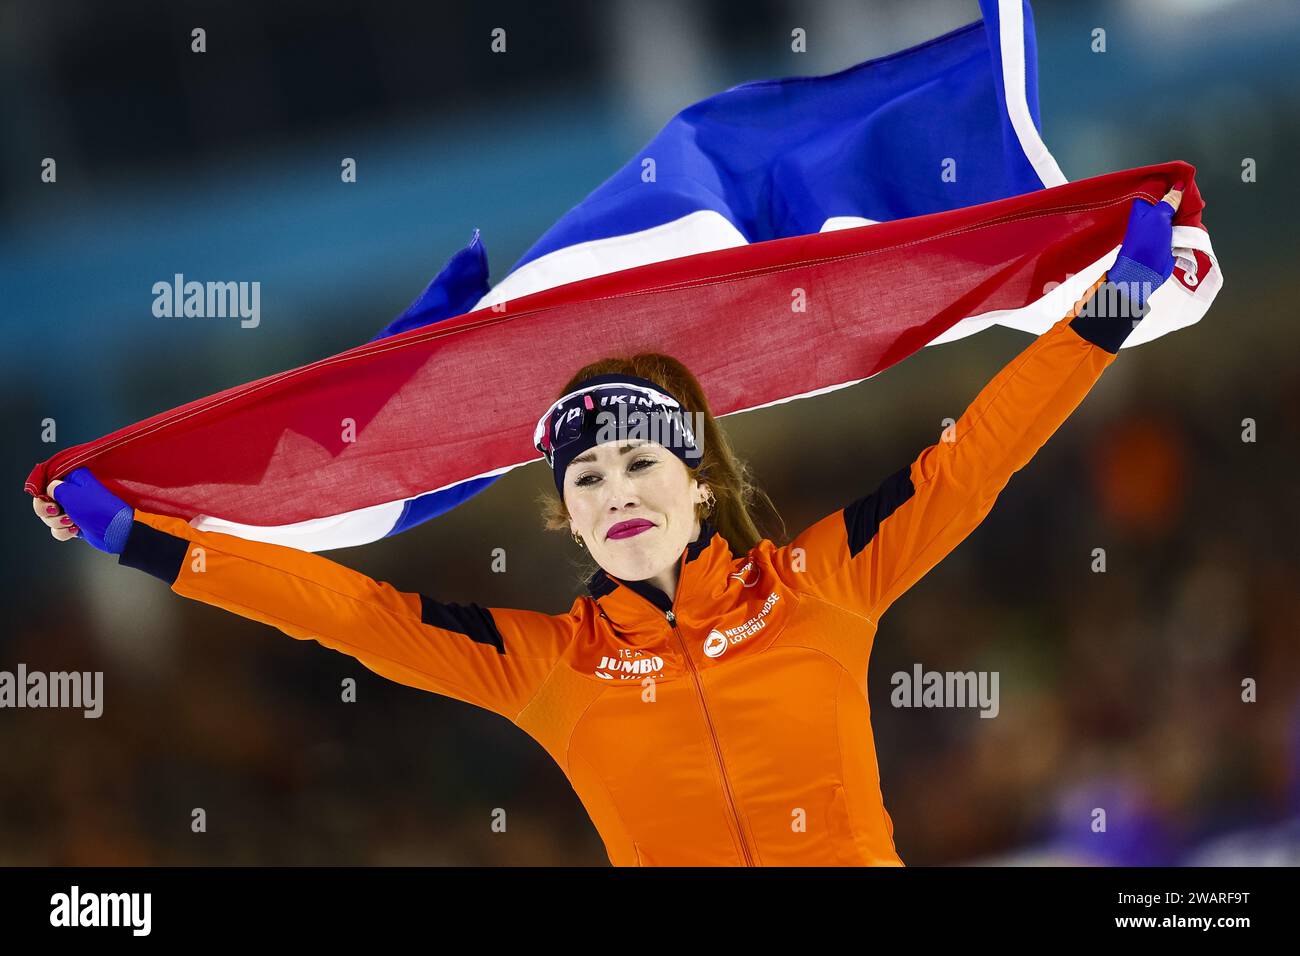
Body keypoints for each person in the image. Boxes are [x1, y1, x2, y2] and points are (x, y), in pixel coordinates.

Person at [32, 187, 1184, 866]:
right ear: (568, 518)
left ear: (696, 483)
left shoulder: (823, 579)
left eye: (640, 460)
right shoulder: (545, 665)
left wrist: (1116, 299)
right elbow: (348, 612)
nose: (615, 489)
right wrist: (144, 540)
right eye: (587, 478)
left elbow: (971, 461)